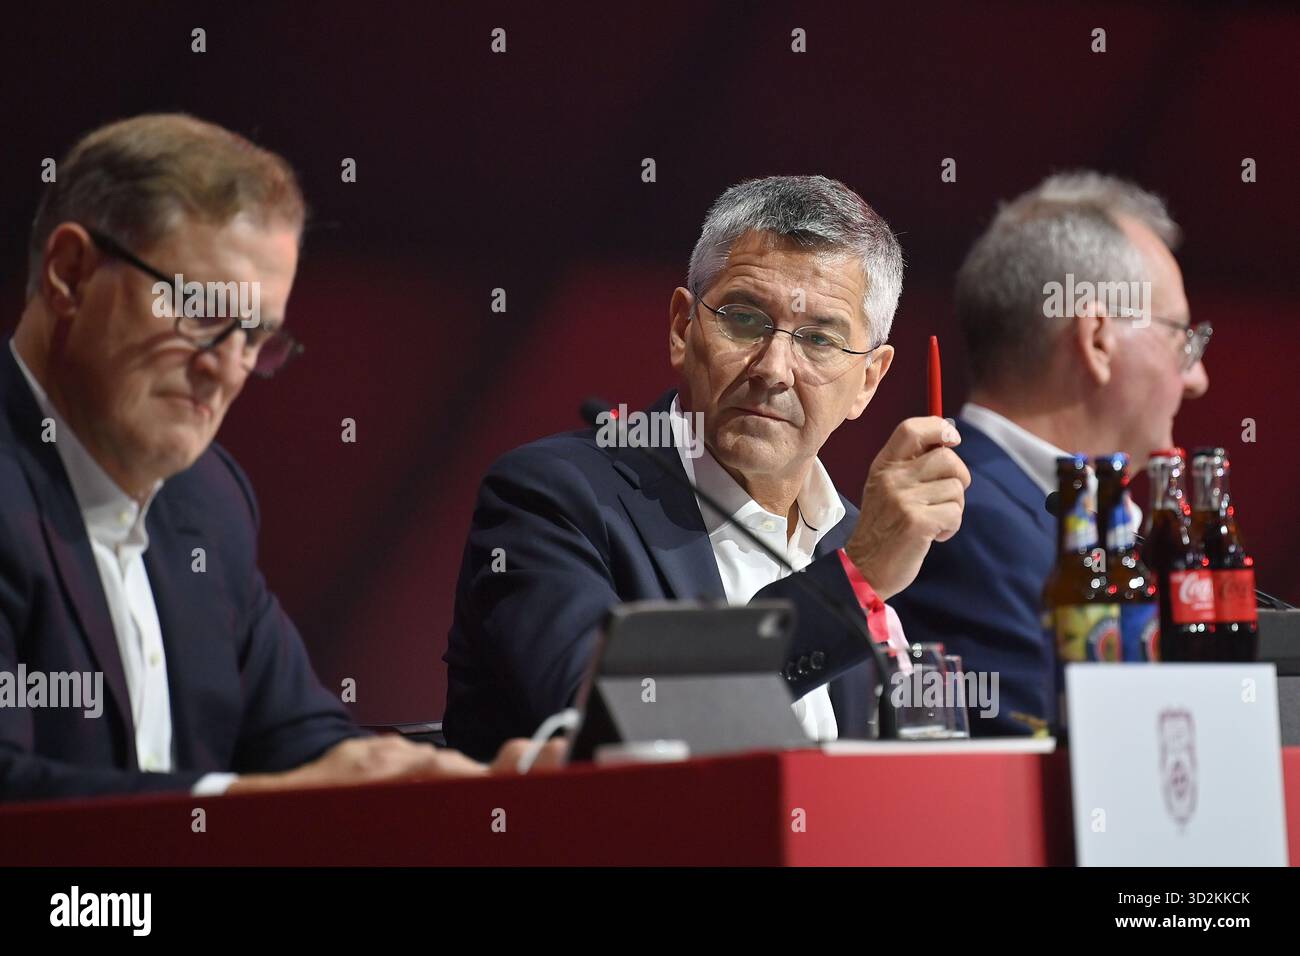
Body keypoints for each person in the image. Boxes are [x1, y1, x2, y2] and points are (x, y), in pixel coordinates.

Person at [0, 113, 555, 802]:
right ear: (71, 274)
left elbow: (301, 742)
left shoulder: (207, 501)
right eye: (202, 311)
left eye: (256, 337)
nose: (227, 369)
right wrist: (232, 806)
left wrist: (452, 786)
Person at [445, 175, 970, 761]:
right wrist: (855, 580)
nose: (774, 369)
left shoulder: (853, 537)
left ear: (867, 382)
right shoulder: (551, 500)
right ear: (681, 327)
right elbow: (615, 726)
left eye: (819, 339)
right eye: (745, 319)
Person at [890, 171, 1210, 735]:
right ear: (1098, 341)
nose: (1197, 379)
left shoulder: (1105, 529)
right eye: (1182, 338)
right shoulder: (961, 528)